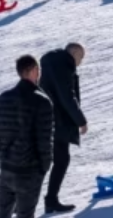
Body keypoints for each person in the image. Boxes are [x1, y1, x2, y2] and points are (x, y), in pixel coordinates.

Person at [0, 55, 54, 218]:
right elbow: (44, 140)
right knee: (26, 214)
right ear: (34, 70)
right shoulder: (41, 101)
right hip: (29, 170)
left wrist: (3, 158)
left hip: (7, 167)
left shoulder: (3, 99)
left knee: (1, 213)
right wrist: (44, 167)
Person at [39, 44, 88, 214]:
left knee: (44, 160)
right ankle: (50, 200)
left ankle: (21, 200)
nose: (80, 62)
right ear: (73, 53)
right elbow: (67, 96)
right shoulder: (64, 66)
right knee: (61, 160)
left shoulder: (49, 64)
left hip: (44, 119)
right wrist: (80, 120)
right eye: (80, 57)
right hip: (58, 121)